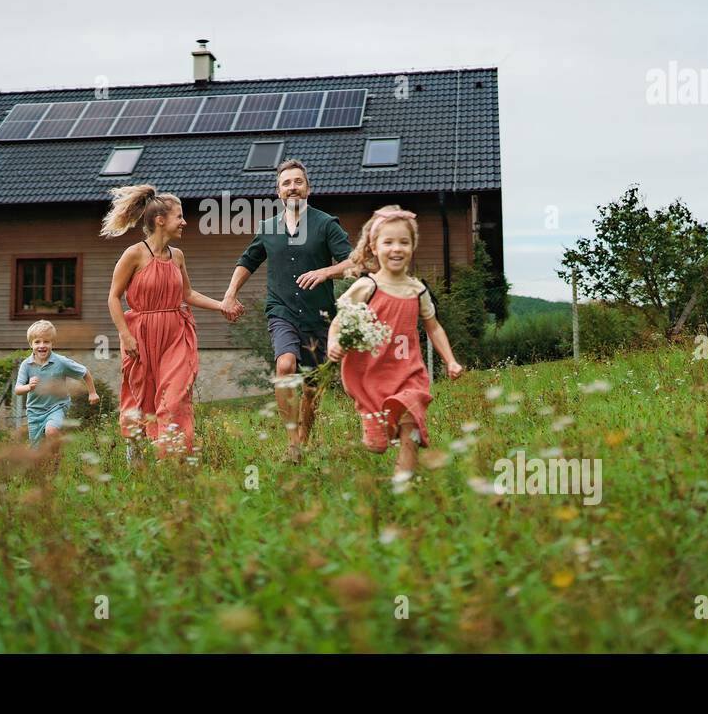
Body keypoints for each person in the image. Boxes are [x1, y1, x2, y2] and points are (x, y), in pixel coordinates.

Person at [221, 159, 353, 462]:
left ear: (308, 187)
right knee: (284, 366)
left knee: (311, 390)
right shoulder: (268, 228)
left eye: (298, 182)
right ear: (278, 191)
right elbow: (248, 261)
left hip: (318, 315)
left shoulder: (326, 224)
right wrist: (230, 294)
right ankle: (293, 444)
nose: (292, 187)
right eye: (286, 183)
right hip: (282, 310)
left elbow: (352, 261)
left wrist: (326, 272)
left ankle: (304, 439)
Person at [327, 205, 463, 482]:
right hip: (371, 374)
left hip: (409, 372)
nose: (396, 248)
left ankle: (404, 484)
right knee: (376, 446)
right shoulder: (367, 287)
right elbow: (340, 321)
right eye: (388, 242)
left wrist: (450, 360)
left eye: (404, 242)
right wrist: (334, 342)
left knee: (410, 423)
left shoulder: (418, 290)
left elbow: (434, 327)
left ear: (412, 247)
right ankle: (375, 429)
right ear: (374, 247)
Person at [102, 184, 235, 460]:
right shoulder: (134, 254)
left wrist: (221, 305)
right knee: (142, 395)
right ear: (160, 220)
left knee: (175, 396)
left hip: (176, 332)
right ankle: (136, 451)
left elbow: (187, 294)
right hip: (141, 334)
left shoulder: (177, 256)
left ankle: (172, 457)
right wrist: (125, 336)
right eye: (180, 216)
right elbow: (113, 298)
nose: (185, 222)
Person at [14, 319, 98, 454]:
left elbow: (84, 372)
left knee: (51, 430)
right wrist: (29, 386)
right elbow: (18, 390)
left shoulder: (60, 362)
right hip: (34, 411)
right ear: (31, 344)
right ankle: (42, 468)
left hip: (57, 407)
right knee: (35, 451)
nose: (42, 345)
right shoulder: (26, 365)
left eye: (46, 341)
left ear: (52, 343)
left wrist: (92, 393)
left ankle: (55, 459)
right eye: (37, 342)